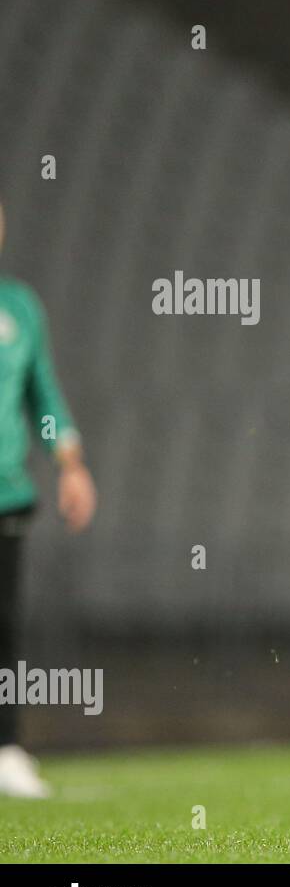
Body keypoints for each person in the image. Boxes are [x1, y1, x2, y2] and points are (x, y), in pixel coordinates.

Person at [0, 197, 97, 798]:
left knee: (4, 629)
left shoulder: (20, 309)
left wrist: (70, 464)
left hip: (7, 495)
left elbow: (44, 399)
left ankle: (6, 747)